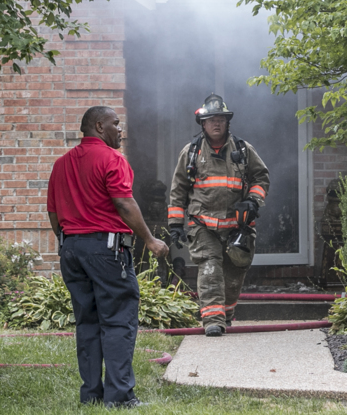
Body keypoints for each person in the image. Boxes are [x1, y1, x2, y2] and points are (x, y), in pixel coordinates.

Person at [47, 105, 168, 408]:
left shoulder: (61, 164)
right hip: (107, 251)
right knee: (117, 321)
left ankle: (91, 395)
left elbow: (53, 212)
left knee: (86, 323)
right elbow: (124, 203)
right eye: (116, 123)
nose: (120, 129)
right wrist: (150, 240)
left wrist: (69, 241)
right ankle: (120, 398)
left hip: (71, 250)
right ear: (99, 126)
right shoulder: (112, 159)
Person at [167, 93, 270, 336]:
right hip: (203, 225)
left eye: (221, 119)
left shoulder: (243, 150)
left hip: (238, 226)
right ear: (202, 123)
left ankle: (226, 314)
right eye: (211, 119)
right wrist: (175, 224)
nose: (216, 123)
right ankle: (213, 321)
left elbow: (261, 178)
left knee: (234, 275)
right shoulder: (191, 152)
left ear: (227, 122)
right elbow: (178, 189)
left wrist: (252, 201)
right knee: (210, 268)